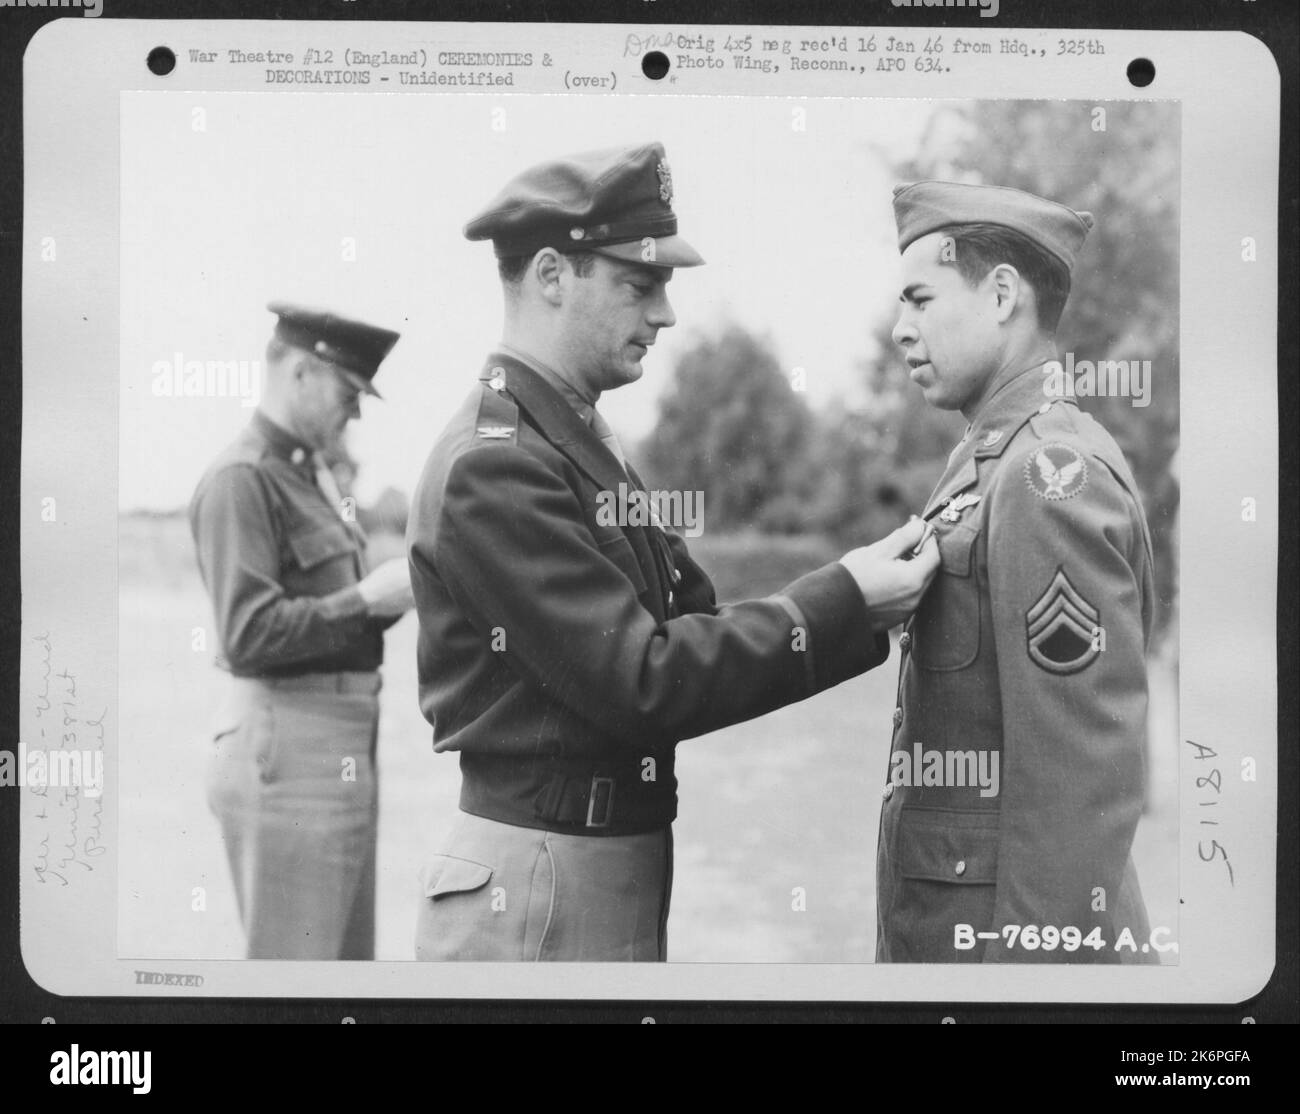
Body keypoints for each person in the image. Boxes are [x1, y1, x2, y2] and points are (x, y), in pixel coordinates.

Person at [406, 142, 940, 962]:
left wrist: (847, 594)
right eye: (638, 283)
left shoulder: (574, 440)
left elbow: (689, 625)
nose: (665, 313)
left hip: (587, 863)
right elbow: (643, 679)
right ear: (551, 274)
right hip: (542, 876)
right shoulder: (499, 465)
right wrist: (845, 598)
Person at [876, 181, 1158, 964]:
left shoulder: (1045, 477)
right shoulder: (990, 460)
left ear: (1002, 295)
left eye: (921, 299)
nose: (900, 330)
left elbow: (1076, 791)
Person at [190, 302, 413, 959]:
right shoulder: (243, 478)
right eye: (349, 393)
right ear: (301, 373)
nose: (357, 411)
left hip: (334, 746)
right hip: (287, 753)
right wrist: (367, 599)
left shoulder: (307, 477)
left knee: (342, 976)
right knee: (295, 976)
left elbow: (330, 615)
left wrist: (395, 595)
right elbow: (249, 635)